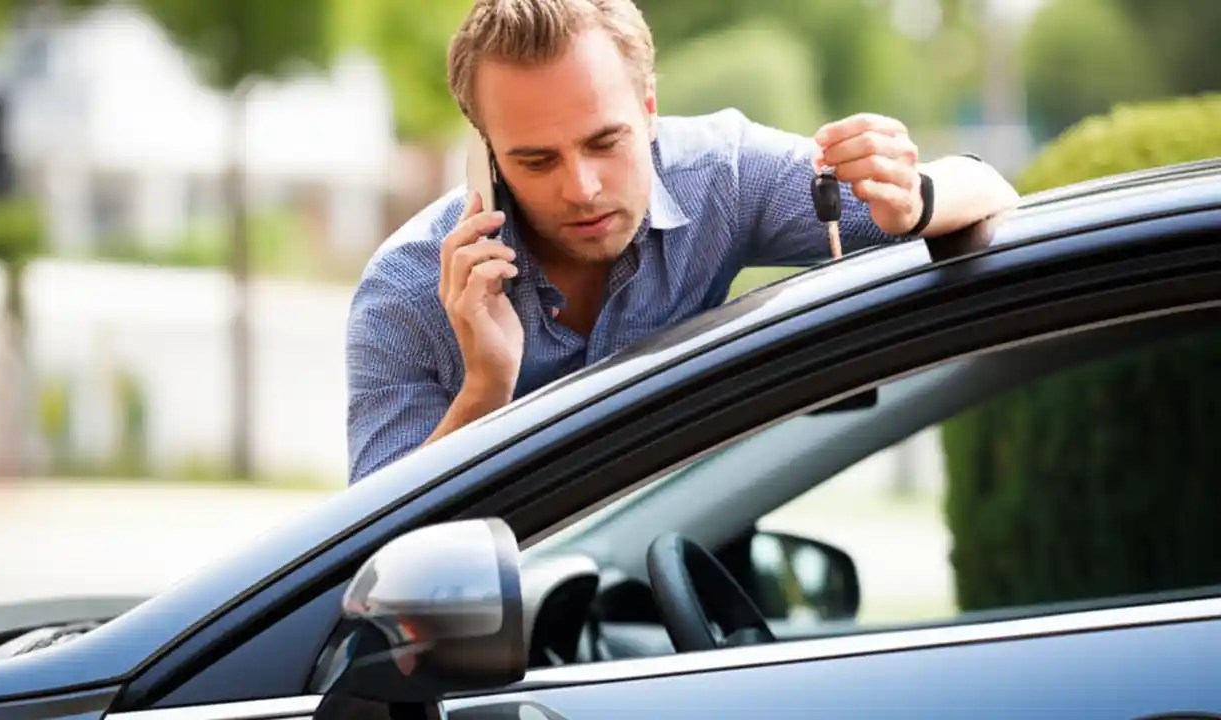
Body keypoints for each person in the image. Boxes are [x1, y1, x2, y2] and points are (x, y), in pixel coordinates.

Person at [345, 0, 1019, 484]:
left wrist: (914, 197)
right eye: (536, 161)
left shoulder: (718, 178)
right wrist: (486, 393)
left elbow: (988, 191)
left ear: (647, 110)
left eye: (605, 142)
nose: (581, 187)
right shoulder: (404, 294)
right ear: (484, 156)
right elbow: (363, 556)